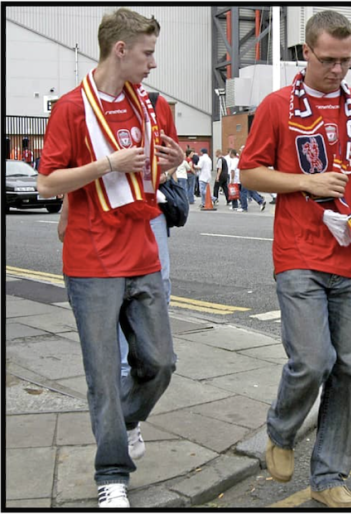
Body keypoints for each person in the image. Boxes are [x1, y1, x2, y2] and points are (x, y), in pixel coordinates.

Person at [238, 10, 351, 508]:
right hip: (298, 253)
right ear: (306, 53)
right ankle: (281, 428)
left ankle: (329, 477)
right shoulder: (277, 107)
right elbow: (250, 173)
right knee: (313, 360)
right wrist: (305, 182)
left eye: (345, 61)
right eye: (327, 60)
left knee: (346, 368)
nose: (338, 70)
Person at [36, 8, 183, 508]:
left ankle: (117, 423)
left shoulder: (150, 106)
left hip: (141, 250)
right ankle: (112, 473)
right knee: (102, 375)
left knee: (160, 362)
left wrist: (176, 160)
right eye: (147, 53)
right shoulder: (72, 109)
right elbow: (46, 182)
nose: (153, 63)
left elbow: (163, 162)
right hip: (92, 260)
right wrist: (107, 165)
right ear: (120, 50)